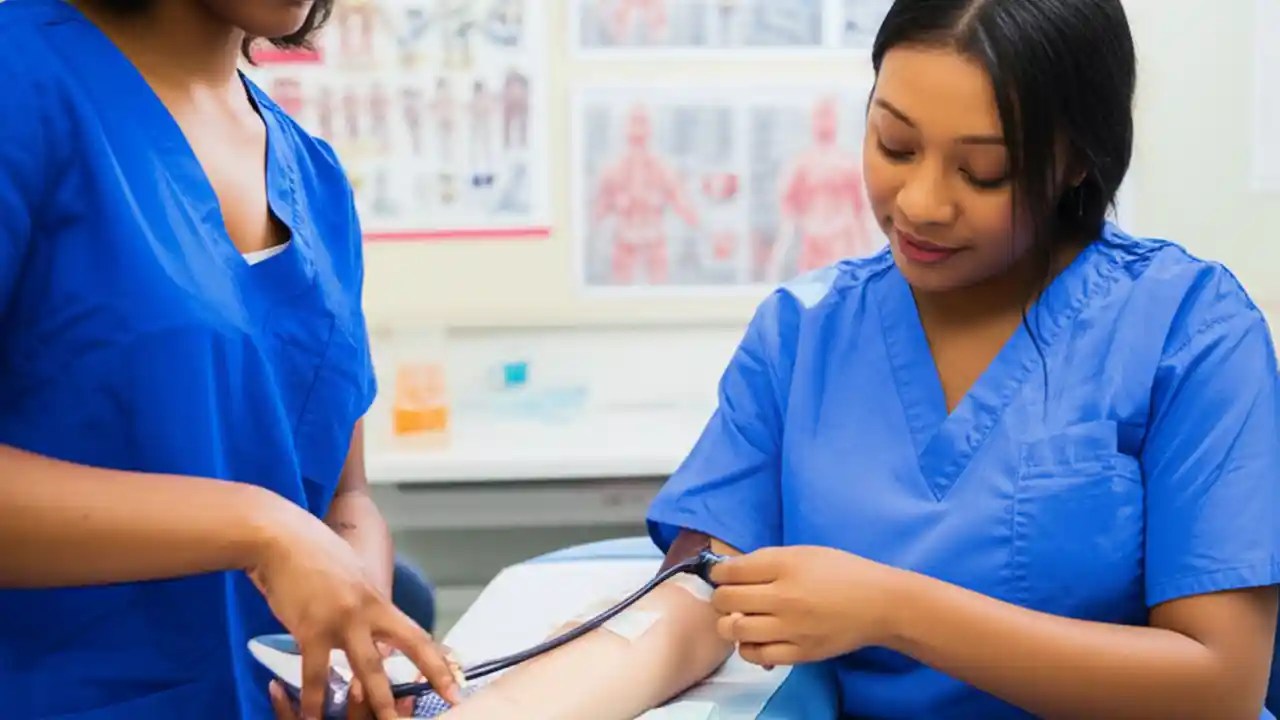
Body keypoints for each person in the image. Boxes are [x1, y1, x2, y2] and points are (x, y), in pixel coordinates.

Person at [436, 0, 1280, 718]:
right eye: (895, 145)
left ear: (1075, 163)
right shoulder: (806, 333)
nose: (920, 203)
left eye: (982, 172)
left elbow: (1221, 685)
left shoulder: (1190, 331)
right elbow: (695, 601)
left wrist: (894, 609)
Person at [0, 1, 460, 719]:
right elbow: (281, 524)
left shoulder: (315, 177)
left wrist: (350, 652)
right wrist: (257, 527)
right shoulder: (20, 80)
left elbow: (346, 500)